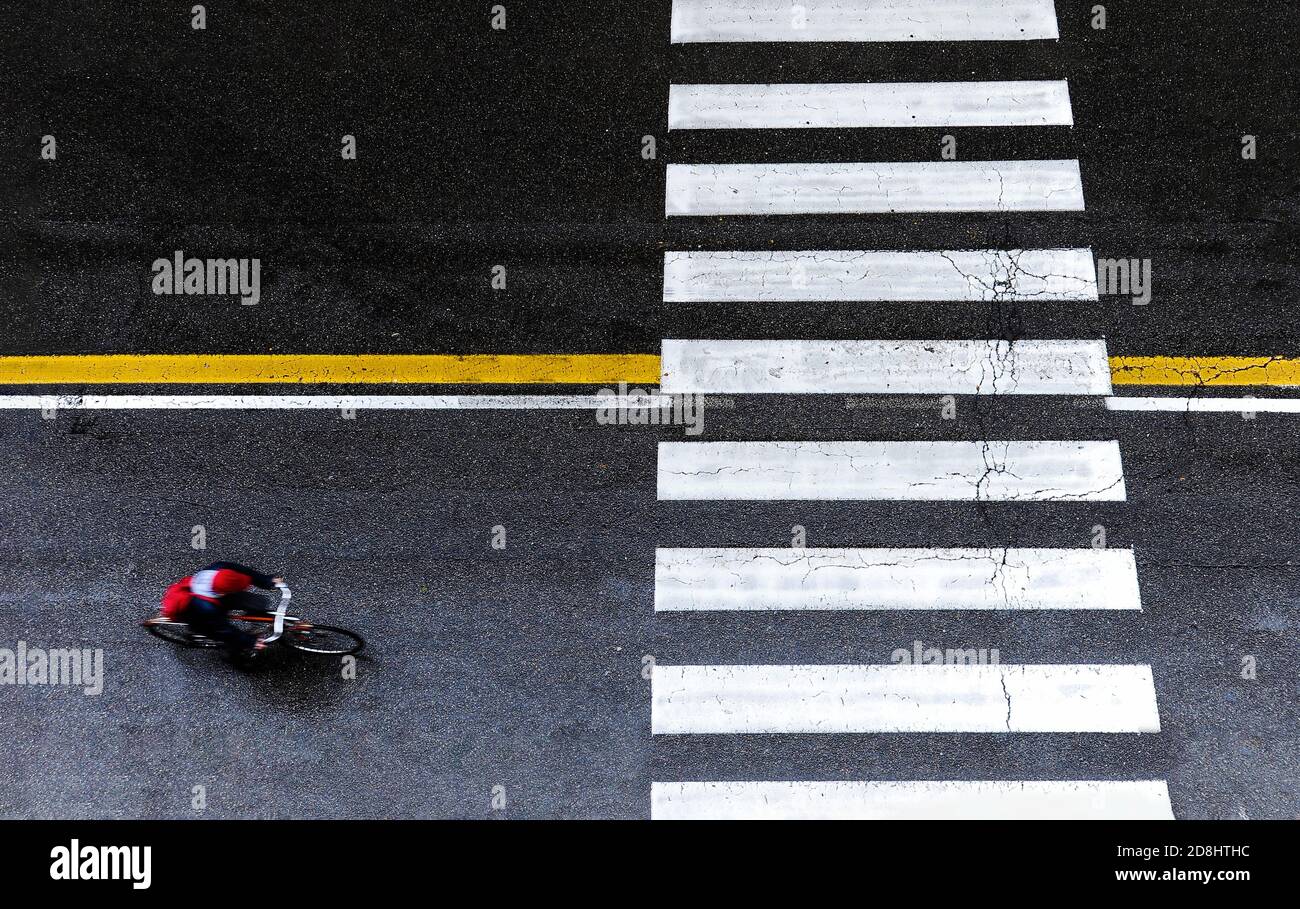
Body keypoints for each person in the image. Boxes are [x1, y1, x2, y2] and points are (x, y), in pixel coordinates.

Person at [161, 561, 284, 658]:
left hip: (214, 597)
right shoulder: (205, 607)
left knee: (255, 602)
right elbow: (224, 630)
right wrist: (249, 641)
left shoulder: (219, 567)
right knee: (230, 640)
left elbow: (245, 572)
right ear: (223, 592)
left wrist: (265, 580)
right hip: (198, 613)